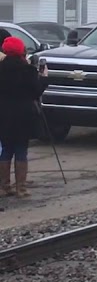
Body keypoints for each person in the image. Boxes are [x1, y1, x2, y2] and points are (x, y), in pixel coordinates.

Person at [0, 36, 47, 198]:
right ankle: (21, 188)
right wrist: (44, 78)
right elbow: (36, 92)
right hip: (24, 115)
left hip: (3, 114)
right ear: (21, 51)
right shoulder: (28, 71)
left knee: (6, 149)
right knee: (21, 149)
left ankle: (3, 187)